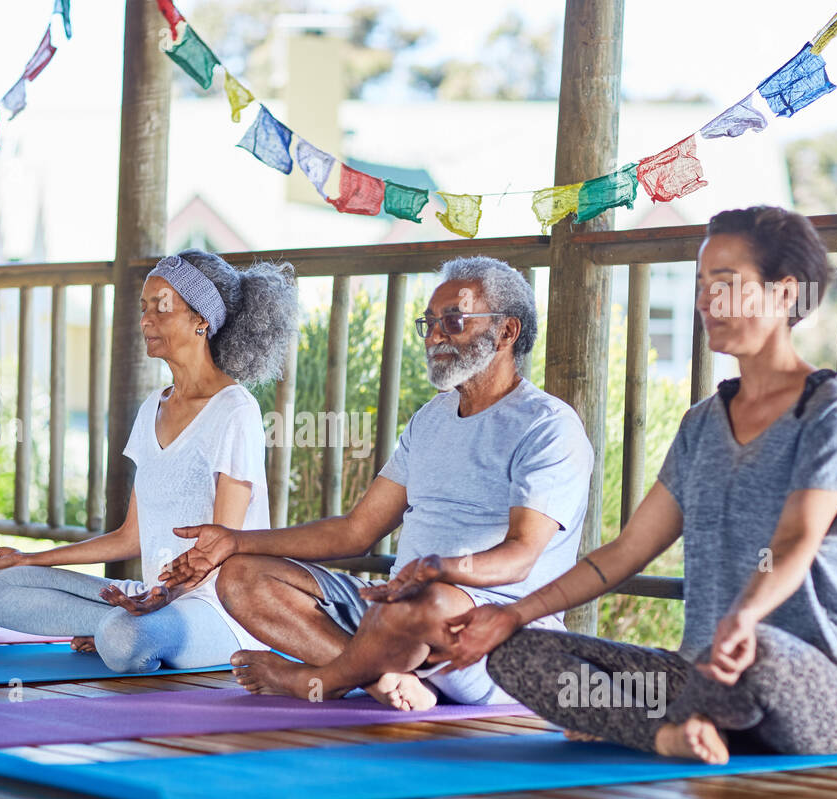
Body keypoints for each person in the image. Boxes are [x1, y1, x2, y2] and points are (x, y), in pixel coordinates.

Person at [442, 206, 837, 763]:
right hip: (702, 671)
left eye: (726, 284)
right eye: (702, 285)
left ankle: (642, 723)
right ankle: (672, 734)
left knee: (755, 657)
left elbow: (796, 540)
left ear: (785, 294)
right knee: (515, 654)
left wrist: (746, 616)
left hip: (825, 687)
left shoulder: (829, 407)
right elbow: (625, 552)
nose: (705, 302)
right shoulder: (702, 424)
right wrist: (513, 614)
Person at [160, 256, 593, 710]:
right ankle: (381, 679)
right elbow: (355, 531)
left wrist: (438, 569)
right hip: (393, 618)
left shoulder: (548, 426)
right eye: (428, 323)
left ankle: (324, 681)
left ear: (507, 332)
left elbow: (521, 557)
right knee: (242, 577)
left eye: (453, 320)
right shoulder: (431, 419)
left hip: (491, 635)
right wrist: (234, 541)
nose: (435, 335)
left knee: (427, 604)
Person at [0, 250, 297, 672]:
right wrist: (26, 558)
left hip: (218, 609)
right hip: (153, 597)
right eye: (144, 307)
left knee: (123, 637)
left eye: (162, 307)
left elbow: (222, 549)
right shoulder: (152, 408)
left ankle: (121, 629)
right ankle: (121, 623)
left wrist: (162, 600)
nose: (146, 320)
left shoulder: (235, 410)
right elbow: (129, 537)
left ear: (201, 320)